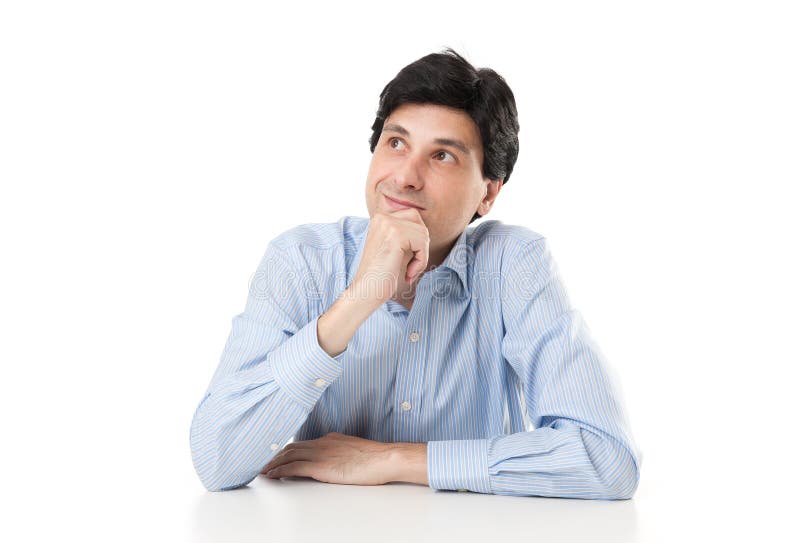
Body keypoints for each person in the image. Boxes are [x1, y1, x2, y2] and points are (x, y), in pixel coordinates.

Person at [190, 48, 642, 498]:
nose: (405, 176)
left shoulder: (513, 264)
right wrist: (360, 298)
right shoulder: (301, 259)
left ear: (488, 193)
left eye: (442, 156)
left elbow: (607, 458)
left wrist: (396, 459)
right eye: (396, 143)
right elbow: (216, 459)